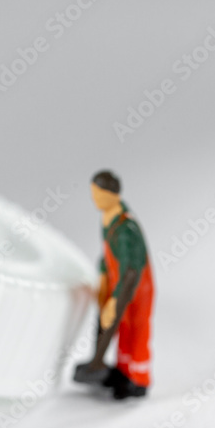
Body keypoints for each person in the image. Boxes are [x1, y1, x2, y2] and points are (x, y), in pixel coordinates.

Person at [75, 170, 155, 399]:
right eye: (93, 193)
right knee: (123, 328)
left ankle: (138, 380)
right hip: (118, 281)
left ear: (112, 195)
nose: (95, 199)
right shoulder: (108, 219)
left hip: (137, 288)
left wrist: (116, 300)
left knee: (136, 332)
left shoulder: (126, 229)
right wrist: (103, 274)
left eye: (99, 194)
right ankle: (122, 372)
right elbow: (110, 253)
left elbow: (131, 270)